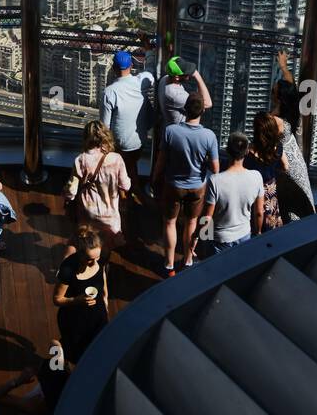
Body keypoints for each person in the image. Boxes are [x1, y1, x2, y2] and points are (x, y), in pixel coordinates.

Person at [151, 91, 219, 275]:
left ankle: (169, 264)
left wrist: (155, 178)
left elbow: (161, 161)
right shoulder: (209, 136)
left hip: (173, 185)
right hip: (197, 186)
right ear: (202, 111)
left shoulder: (171, 131)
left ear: (185, 109)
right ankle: (188, 260)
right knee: (191, 223)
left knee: (170, 223)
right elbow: (215, 167)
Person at [66, 120, 131, 258]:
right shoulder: (116, 159)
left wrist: (67, 198)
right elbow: (126, 186)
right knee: (106, 245)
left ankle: (84, 265)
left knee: (87, 242)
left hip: (87, 211)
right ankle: (102, 267)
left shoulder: (81, 160)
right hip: (109, 214)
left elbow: (71, 191)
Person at [100, 49, 154, 197]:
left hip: (120, 145)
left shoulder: (110, 92)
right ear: (131, 66)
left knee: (120, 171)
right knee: (131, 166)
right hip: (139, 140)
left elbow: (104, 126)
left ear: (113, 68)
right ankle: (133, 190)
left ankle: (122, 198)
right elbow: (150, 71)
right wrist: (148, 49)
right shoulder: (140, 82)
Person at [53, 226, 109, 365]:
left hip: (97, 315)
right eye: (90, 259)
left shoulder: (98, 260)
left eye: (98, 258)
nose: (95, 262)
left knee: (100, 348)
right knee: (79, 355)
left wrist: (105, 300)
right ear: (80, 254)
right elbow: (57, 299)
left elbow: (103, 279)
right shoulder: (68, 269)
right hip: (75, 319)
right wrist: (76, 300)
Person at [202, 132, 265, 253]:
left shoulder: (215, 180)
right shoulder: (257, 177)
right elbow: (259, 213)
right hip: (245, 235)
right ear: (247, 152)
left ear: (227, 150)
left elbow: (207, 217)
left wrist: (201, 238)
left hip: (220, 239)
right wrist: (258, 232)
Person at [270, 51, 315, 218]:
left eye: (273, 91)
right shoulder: (292, 106)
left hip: (286, 165)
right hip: (296, 160)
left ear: (279, 99)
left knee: (289, 204)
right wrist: (283, 65)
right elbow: (290, 81)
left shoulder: (275, 121)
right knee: (302, 199)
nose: (271, 91)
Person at [245, 109, 288, 232]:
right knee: (271, 223)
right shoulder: (278, 147)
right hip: (271, 191)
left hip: (253, 191)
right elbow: (285, 166)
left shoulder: (249, 152)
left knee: (254, 221)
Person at [159, 56, 213, 126]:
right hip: (181, 132)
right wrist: (197, 76)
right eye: (186, 74)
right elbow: (208, 103)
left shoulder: (165, 78)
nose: (189, 75)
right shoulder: (174, 95)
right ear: (177, 77)